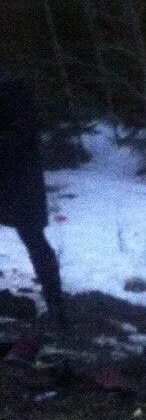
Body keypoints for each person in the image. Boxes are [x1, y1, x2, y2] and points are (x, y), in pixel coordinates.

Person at [0, 68, 65, 334]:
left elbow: (24, 135)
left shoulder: (11, 86)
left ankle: (58, 311)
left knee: (34, 239)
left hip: (19, 179)